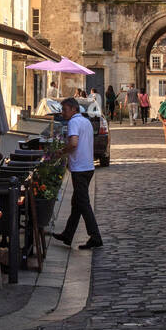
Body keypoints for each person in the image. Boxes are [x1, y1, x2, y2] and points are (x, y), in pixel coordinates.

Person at [51, 97, 103, 250]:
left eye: (65, 110)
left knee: (83, 203)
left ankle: (95, 236)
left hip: (80, 169)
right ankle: (68, 234)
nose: (63, 113)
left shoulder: (73, 122)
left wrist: (61, 152)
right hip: (88, 167)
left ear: (73, 109)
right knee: (77, 203)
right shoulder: (85, 121)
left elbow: (74, 143)